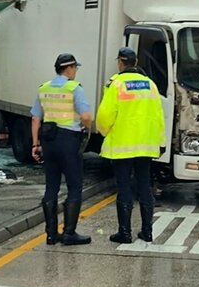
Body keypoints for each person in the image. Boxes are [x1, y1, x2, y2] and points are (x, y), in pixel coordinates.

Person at [97, 47, 166, 244]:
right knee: (145, 186)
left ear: (120, 62)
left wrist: (105, 132)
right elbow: (158, 117)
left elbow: (104, 116)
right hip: (145, 145)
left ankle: (124, 233)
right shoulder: (150, 85)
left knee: (124, 187)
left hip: (122, 146)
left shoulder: (116, 84)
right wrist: (159, 141)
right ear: (135, 62)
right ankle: (147, 231)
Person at [31, 53, 93, 246]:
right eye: (75, 68)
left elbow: (35, 118)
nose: (76, 72)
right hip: (69, 140)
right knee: (74, 185)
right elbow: (86, 116)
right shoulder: (75, 88)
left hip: (48, 140)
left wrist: (35, 144)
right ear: (69, 68)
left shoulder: (44, 88)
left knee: (52, 186)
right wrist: (84, 127)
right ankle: (69, 233)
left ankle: (50, 235)